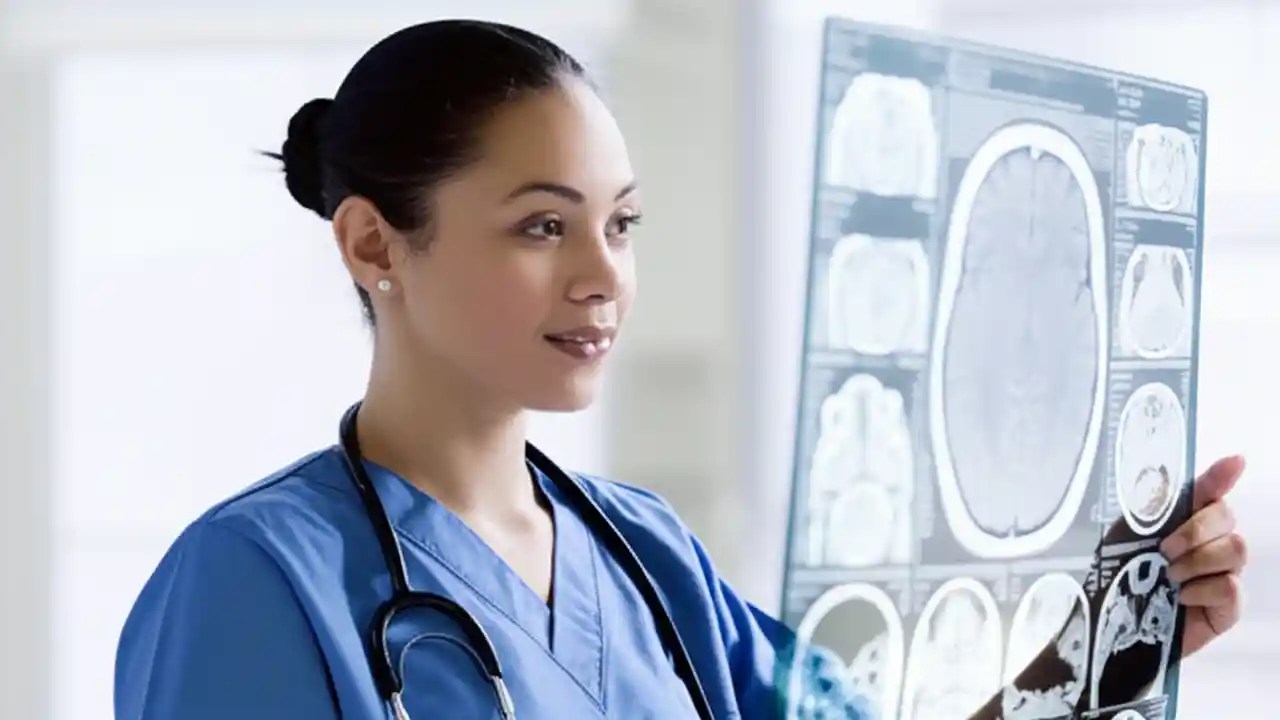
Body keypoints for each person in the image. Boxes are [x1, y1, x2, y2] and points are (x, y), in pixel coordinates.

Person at [113, 19, 1251, 720]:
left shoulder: (643, 554)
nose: (603, 276)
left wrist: (1102, 651)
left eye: (623, 225)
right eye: (542, 228)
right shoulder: (253, 581)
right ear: (372, 244)